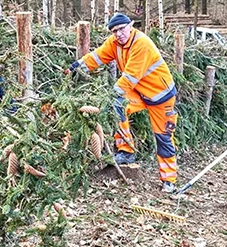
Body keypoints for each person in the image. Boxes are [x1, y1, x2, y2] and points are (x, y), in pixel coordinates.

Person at [69, 12, 179, 192]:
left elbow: (129, 78)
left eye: (121, 29)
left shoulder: (141, 43)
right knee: (117, 106)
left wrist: (107, 95)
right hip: (140, 93)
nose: (118, 34)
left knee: (163, 137)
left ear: (131, 26)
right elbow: (97, 56)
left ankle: (169, 180)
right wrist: (76, 66)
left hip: (161, 97)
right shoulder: (115, 43)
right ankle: (126, 151)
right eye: (114, 31)